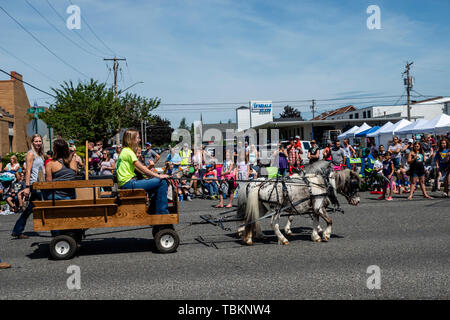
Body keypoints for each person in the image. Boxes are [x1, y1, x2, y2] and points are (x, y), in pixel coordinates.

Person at [116, 129, 169, 214]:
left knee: (156, 185)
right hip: (129, 184)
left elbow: (142, 171)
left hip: (127, 183)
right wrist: (159, 176)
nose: (139, 140)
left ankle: (153, 211)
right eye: (138, 138)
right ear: (131, 139)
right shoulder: (129, 152)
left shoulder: (125, 151)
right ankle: (162, 213)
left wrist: (152, 175)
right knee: (162, 182)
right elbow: (142, 169)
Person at [11, 134, 45, 239]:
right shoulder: (30, 154)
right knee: (47, 205)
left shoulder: (40, 154)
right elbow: (28, 171)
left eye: (40, 141)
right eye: (36, 141)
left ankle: (17, 230)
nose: (38, 143)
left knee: (30, 208)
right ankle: (56, 231)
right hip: (34, 185)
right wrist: (27, 186)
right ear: (32, 142)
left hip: (40, 184)